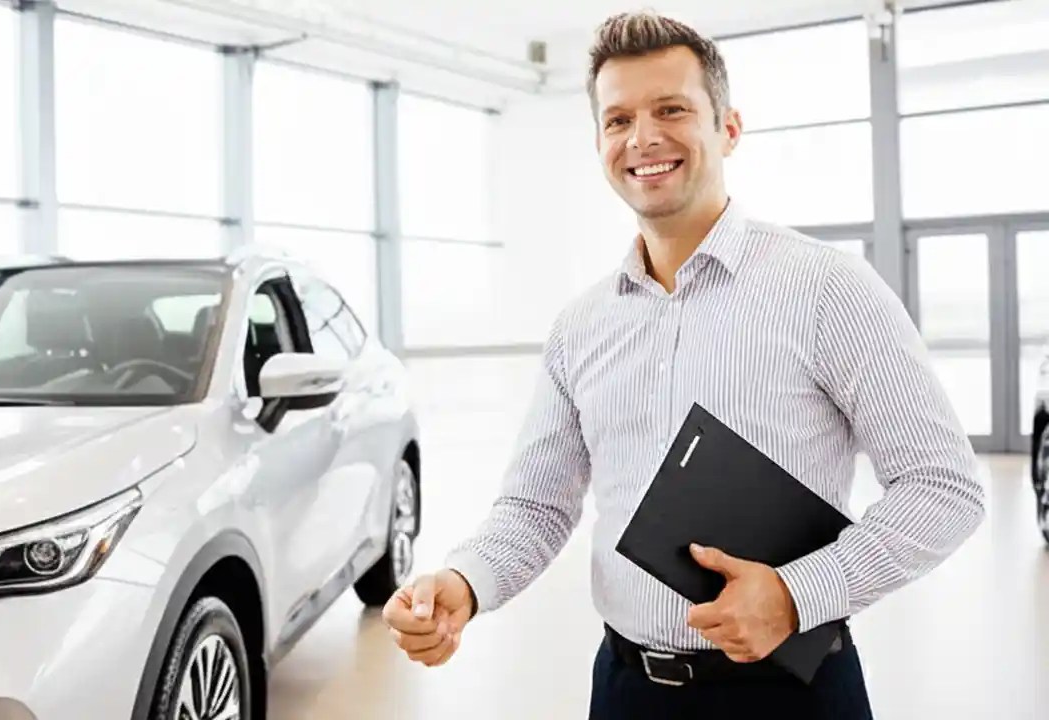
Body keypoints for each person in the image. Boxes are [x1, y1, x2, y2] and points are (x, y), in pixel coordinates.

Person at [381, 9, 987, 720]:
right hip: (627, 690)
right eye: (617, 120)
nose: (643, 138)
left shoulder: (827, 289)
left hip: (789, 693)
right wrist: (465, 580)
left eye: (671, 109)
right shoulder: (581, 327)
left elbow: (944, 487)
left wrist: (798, 595)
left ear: (728, 127)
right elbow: (537, 507)